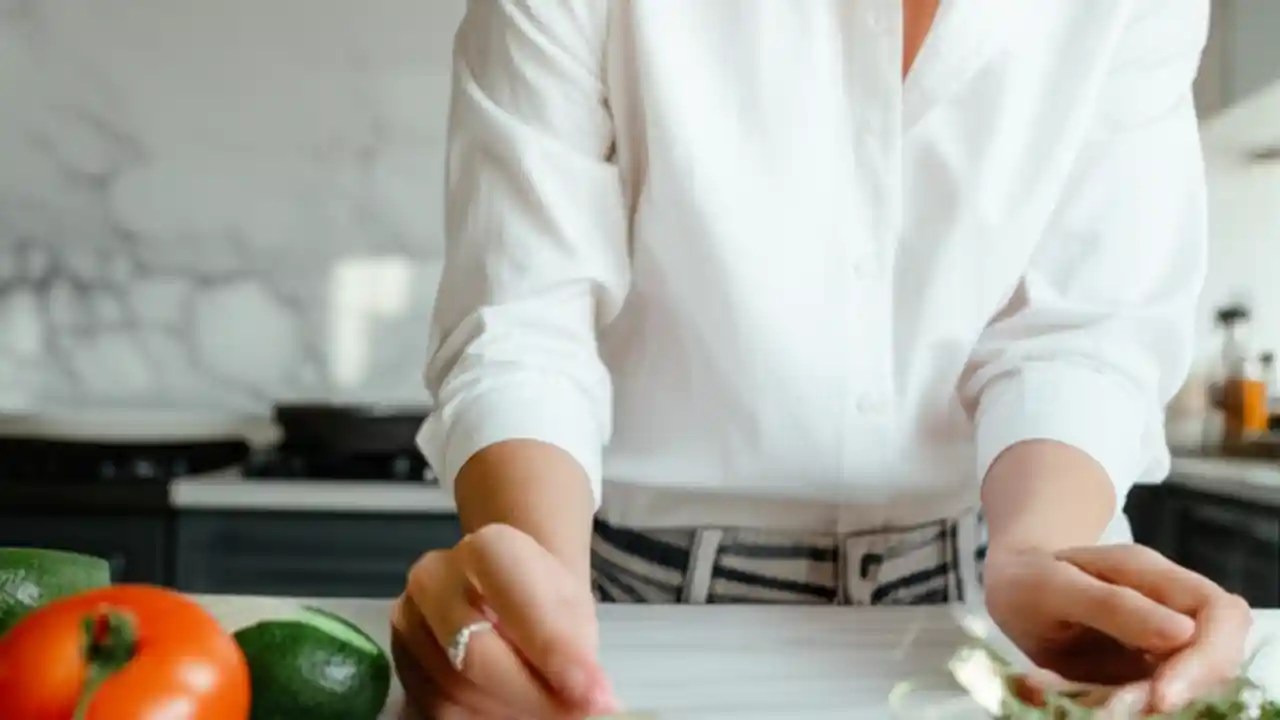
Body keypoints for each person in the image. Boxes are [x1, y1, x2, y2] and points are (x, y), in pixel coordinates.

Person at [392, 1, 1251, 717]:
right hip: (630, 612)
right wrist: (538, 597)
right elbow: (525, 317)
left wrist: (1048, 553)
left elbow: (1081, 332)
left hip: (995, 628)